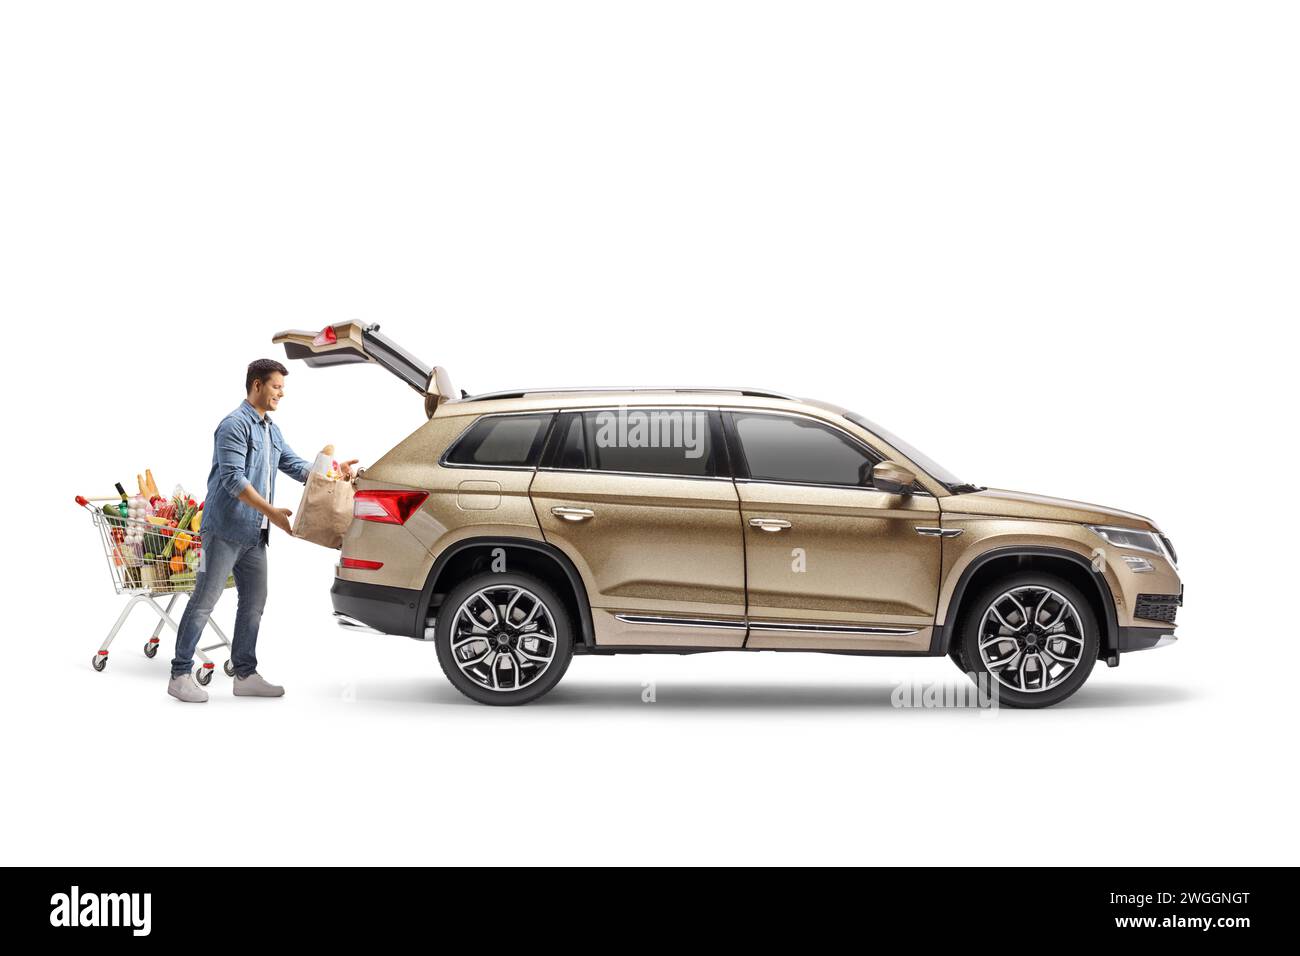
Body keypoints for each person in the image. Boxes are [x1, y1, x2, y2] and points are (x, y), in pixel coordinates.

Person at [167, 358, 358, 702]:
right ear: (257, 385)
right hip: (223, 531)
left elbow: (295, 465)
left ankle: (245, 674)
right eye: (276, 386)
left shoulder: (271, 430)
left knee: (254, 604)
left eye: (282, 388)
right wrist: (272, 513)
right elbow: (233, 480)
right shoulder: (233, 425)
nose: (281, 394)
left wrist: (331, 471)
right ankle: (179, 674)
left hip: (255, 535)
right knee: (204, 601)